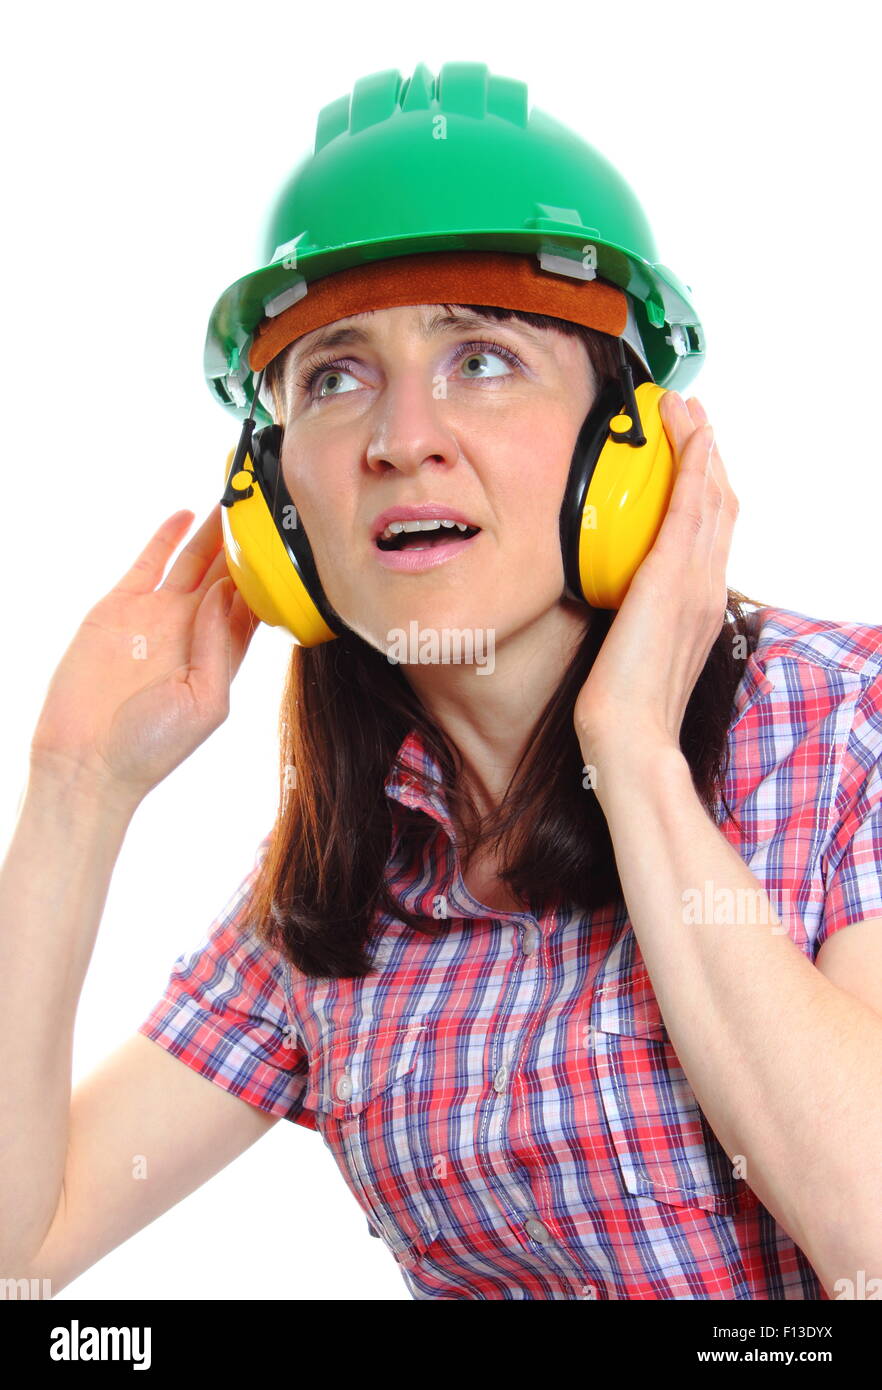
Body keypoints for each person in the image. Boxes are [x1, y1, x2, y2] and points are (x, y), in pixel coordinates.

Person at [3, 62, 881, 1303]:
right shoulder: (329, 899)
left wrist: (631, 753)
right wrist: (72, 795)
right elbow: (15, 1249)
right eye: (335, 376)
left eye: (483, 360)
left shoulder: (846, 725)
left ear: (623, 452)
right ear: (275, 512)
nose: (400, 437)